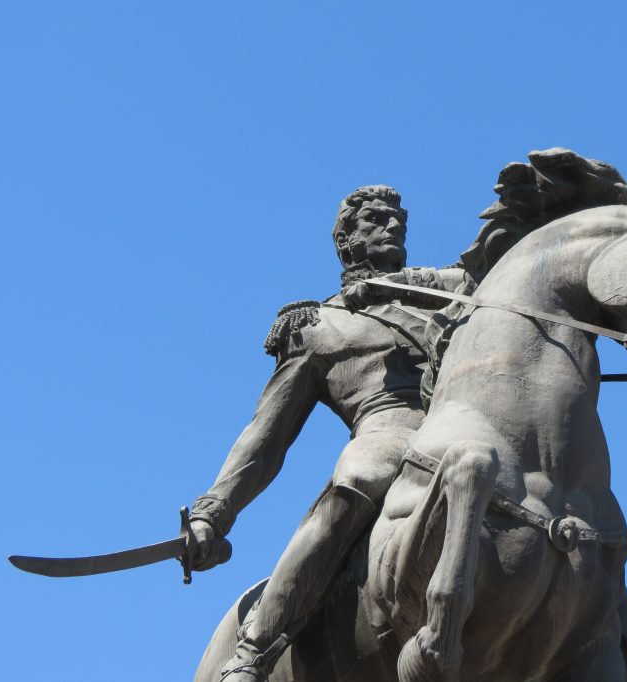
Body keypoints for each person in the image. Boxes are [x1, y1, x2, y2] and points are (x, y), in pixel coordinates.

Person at [188, 185, 466, 680]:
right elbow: (266, 435)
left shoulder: (436, 294)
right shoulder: (317, 325)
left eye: (398, 218)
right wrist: (214, 513)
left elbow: (494, 276)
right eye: (375, 219)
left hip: (466, 417)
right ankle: (253, 650)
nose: (393, 225)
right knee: (357, 479)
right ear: (346, 239)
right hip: (390, 428)